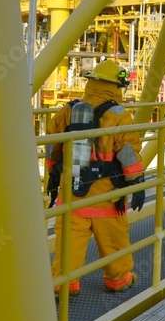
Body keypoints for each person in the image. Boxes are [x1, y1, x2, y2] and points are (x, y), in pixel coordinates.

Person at [46, 60, 144, 296]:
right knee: (114, 241)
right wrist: (137, 184)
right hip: (107, 196)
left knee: (69, 242)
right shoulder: (120, 116)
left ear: (91, 82)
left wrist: (52, 174)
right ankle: (118, 279)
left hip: (72, 192)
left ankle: (64, 284)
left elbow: (52, 144)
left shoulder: (69, 110)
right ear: (115, 86)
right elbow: (128, 154)